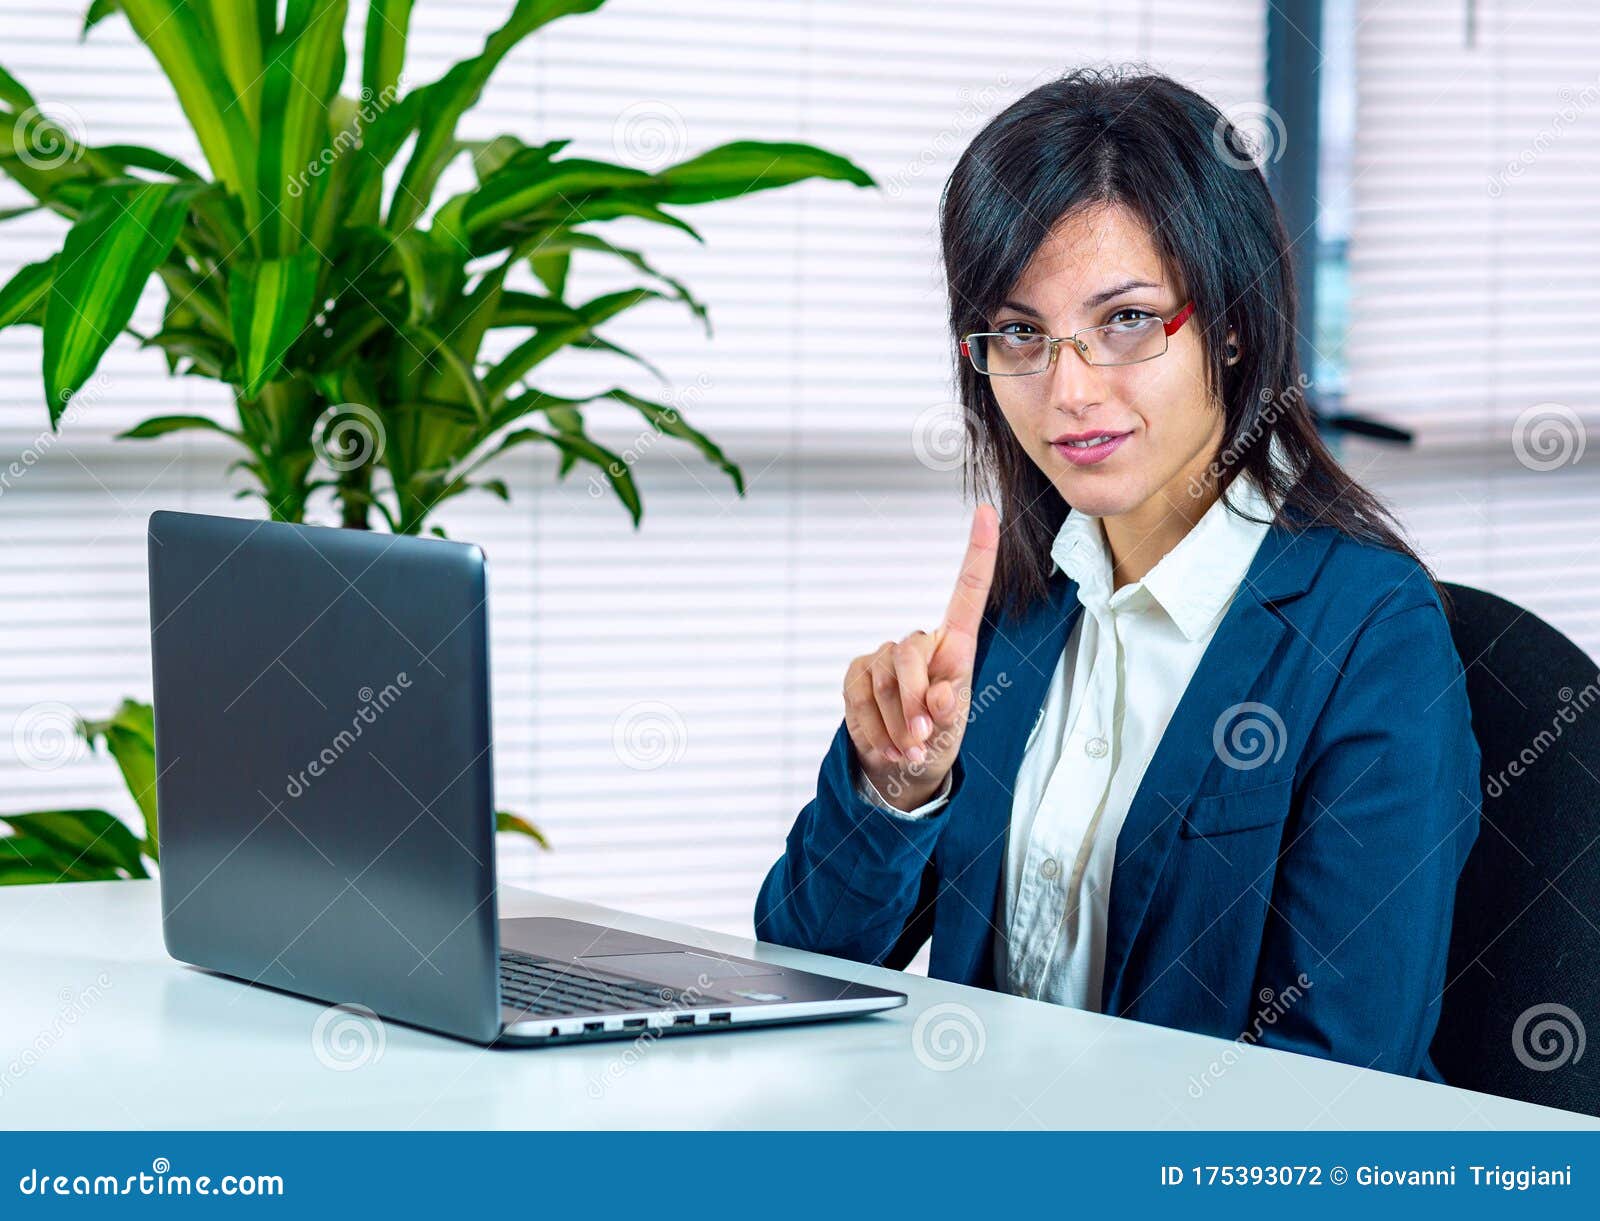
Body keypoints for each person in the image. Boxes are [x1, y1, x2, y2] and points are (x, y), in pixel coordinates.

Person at [754, 67, 1481, 1081]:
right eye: (1020, 333)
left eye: (1127, 321)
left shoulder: (1367, 635)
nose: (1070, 390)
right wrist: (895, 792)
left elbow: (1343, 1077)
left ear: (1227, 322)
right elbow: (798, 969)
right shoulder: (1021, 609)